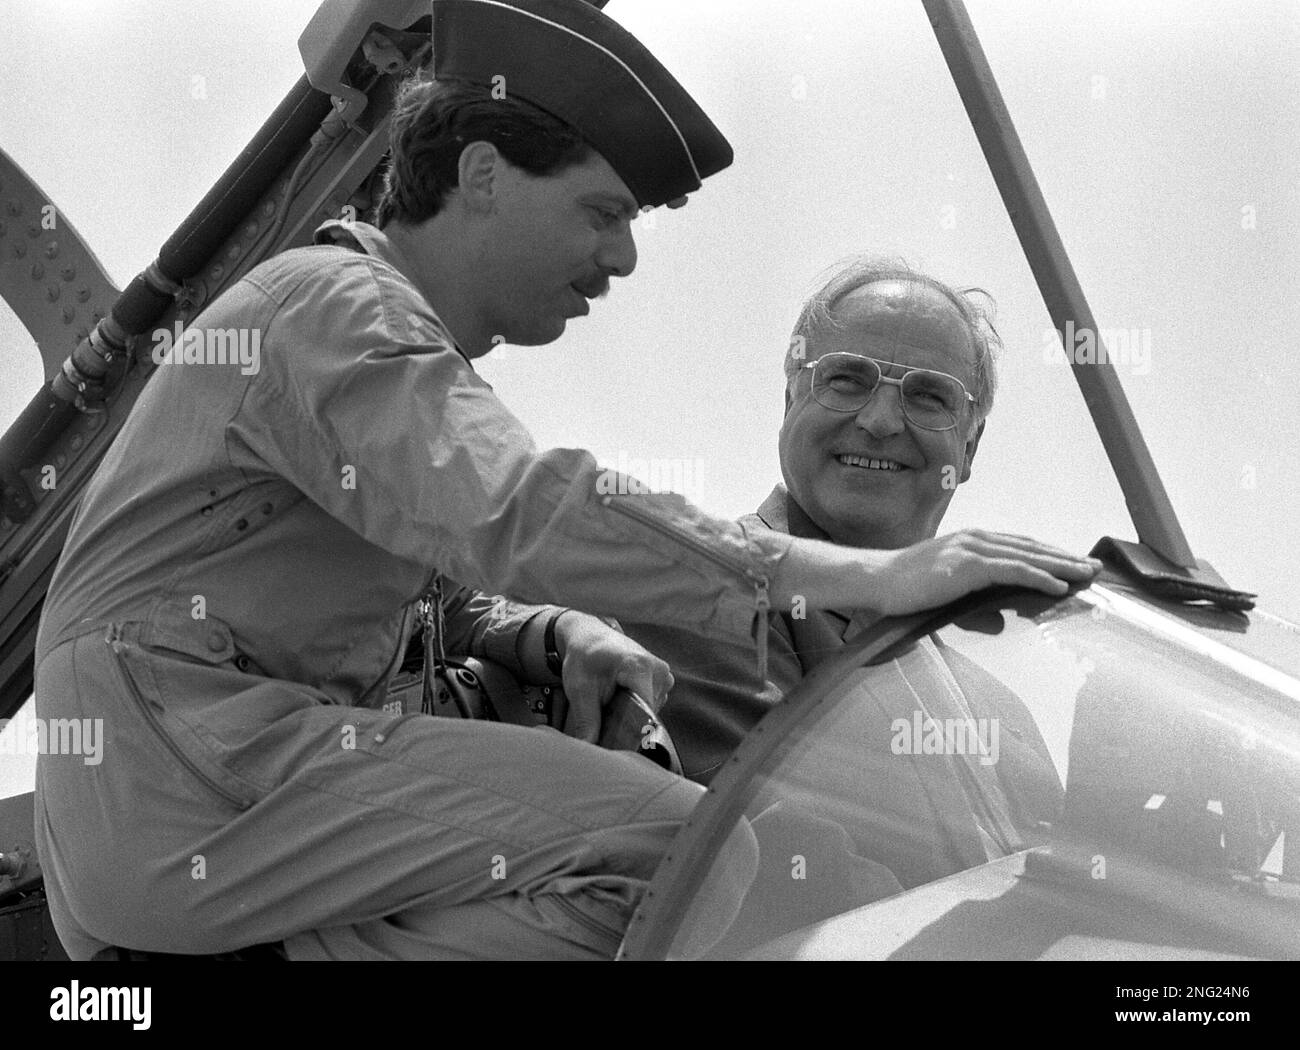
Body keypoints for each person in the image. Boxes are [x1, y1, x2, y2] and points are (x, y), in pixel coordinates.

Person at [32, 0, 1098, 961]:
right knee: (683, 857)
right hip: (193, 787)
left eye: (928, 398)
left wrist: (541, 633)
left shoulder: (364, 336)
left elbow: (429, 573)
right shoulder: (336, 309)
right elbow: (518, 505)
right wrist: (855, 577)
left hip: (197, 786)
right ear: (485, 175)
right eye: (602, 212)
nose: (624, 257)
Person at [626, 258, 1068, 911]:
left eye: (927, 395)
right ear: (789, 404)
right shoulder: (700, 594)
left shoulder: (1002, 714)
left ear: (969, 448)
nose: (881, 420)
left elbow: (1065, 905)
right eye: (846, 380)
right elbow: (768, 862)